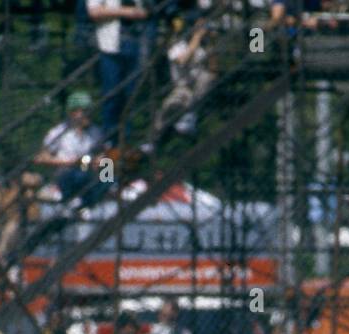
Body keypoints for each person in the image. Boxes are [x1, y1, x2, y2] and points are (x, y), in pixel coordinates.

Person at [146, 18, 216, 150]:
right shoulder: (176, 46)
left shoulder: (203, 47)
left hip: (197, 86)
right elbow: (183, 60)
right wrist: (197, 37)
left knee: (207, 78)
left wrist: (211, 44)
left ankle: (190, 117)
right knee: (167, 108)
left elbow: (213, 70)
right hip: (182, 86)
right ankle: (153, 141)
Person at [86, 0, 149, 141]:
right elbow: (94, 11)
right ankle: (110, 144)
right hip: (111, 46)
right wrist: (126, 12)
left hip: (134, 43)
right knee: (112, 96)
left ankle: (125, 142)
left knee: (130, 97)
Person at [36, 92, 107, 209]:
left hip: (89, 171)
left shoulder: (96, 132)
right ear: (73, 113)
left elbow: (102, 154)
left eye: (89, 110)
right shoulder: (59, 132)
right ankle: (77, 203)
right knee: (79, 175)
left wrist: (101, 160)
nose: (88, 114)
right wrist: (69, 162)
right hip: (66, 173)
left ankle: (97, 202)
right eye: (84, 111)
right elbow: (41, 157)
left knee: (109, 174)